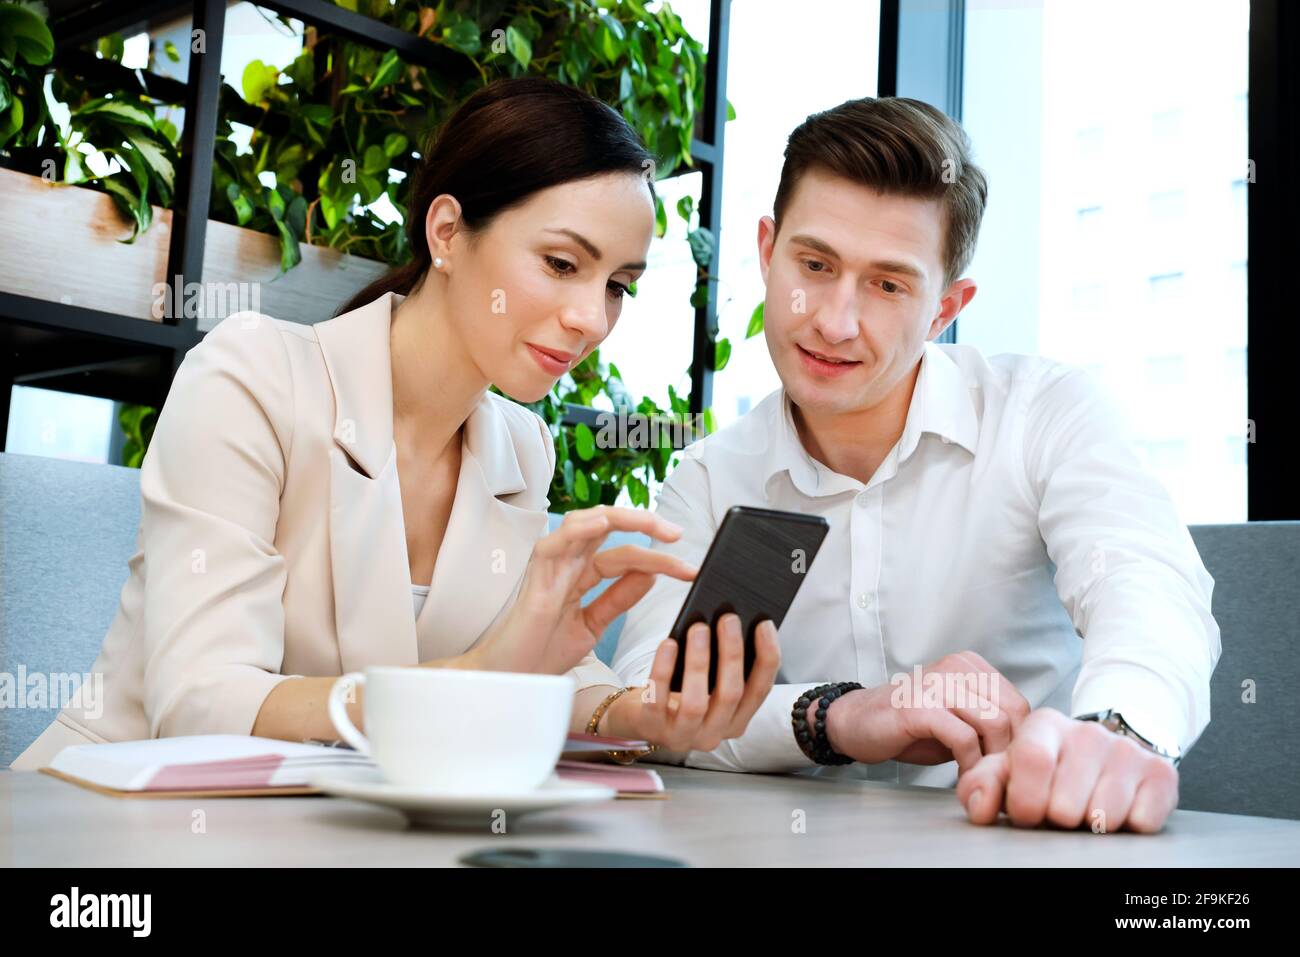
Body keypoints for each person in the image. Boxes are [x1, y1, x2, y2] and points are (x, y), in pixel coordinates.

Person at [9, 77, 780, 772]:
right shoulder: (251, 377)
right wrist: (481, 678)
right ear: (446, 232)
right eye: (560, 263)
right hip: (115, 821)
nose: (590, 318)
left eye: (618, 286)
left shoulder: (520, 445)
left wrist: (635, 714)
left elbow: (536, 664)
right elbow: (203, 703)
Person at [608, 95, 1220, 833]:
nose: (834, 320)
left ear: (944, 308)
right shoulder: (706, 479)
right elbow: (642, 713)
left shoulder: (1043, 412)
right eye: (814, 263)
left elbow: (1146, 583)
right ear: (767, 251)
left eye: (888, 284)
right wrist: (838, 714)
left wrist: (1116, 735)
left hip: (1026, 842)